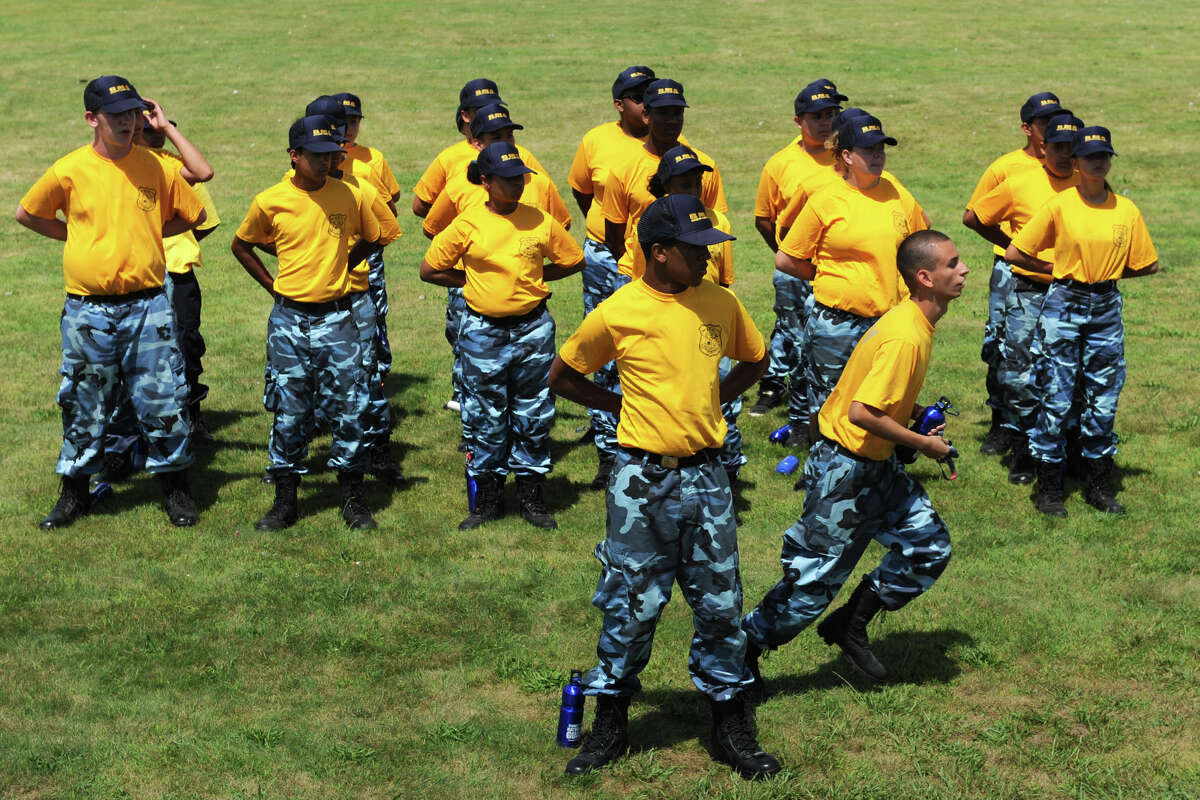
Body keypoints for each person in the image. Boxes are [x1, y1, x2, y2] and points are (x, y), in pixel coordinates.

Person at [549, 194, 779, 780]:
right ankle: (611, 723)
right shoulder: (620, 311)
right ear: (659, 252)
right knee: (630, 601)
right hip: (640, 481)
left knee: (721, 602)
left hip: (707, 474)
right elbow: (564, 376)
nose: (707, 259)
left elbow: (755, 359)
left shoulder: (720, 303)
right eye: (696, 251)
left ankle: (730, 724)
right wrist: (621, 405)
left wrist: (713, 401)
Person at [743, 229, 965, 689]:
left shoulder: (913, 322)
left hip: (877, 468)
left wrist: (918, 412)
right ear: (924, 278)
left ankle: (850, 624)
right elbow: (861, 413)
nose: (964, 270)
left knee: (928, 547)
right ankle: (740, 654)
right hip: (845, 472)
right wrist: (924, 445)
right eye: (952, 264)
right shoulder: (906, 335)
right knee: (811, 585)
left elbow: (878, 395)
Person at [16, 75, 206, 528]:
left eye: (133, 113)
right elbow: (28, 213)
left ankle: (176, 490)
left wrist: (146, 236)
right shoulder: (69, 169)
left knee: (163, 400)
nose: (127, 122)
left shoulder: (157, 166)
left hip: (148, 307)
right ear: (91, 119)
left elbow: (193, 215)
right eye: (116, 115)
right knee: (84, 400)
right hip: (89, 310)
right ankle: (74, 493)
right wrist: (75, 236)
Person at [419, 142, 584, 531]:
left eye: (521, 179)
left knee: (534, 410)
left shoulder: (540, 221)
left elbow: (573, 259)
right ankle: (487, 500)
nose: (517, 187)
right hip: (482, 333)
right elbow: (429, 270)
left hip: (533, 329)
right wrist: (473, 281)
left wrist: (535, 280)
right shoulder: (467, 224)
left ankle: (531, 495)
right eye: (508, 181)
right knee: (483, 414)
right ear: (487, 182)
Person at [230, 115, 383, 530]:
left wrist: (339, 266)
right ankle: (285, 500)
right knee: (290, 410)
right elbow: (241, 245)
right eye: (316, 156)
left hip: (339, 318)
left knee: (350, 409)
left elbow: (375, 236)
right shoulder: (270, 200)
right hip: (290, 320)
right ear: (294, 156)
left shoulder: (348, 195)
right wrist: (273, 287)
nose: (326, 162)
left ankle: (353, 497)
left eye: (332, 154)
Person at [1007, 126, 1158, 517]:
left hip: (1105, 306)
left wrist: (1104, 274)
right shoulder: (1060, 205)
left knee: (1103, 398)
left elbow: (1147, 263)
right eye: (1091, 156)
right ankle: (1049, 488)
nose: (1099, 162)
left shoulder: (1126, 209)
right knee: (1055, 397)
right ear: (1075, 163)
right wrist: (1059, 269)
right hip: (1064, 304)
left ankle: (1097, 485)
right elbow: (1016, 252)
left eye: (1105, 155)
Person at [424, 103, 571, 456]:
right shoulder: (462, 186)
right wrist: (474, 275)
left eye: (509, 134)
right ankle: (486, 481)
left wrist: (531, 272)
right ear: (475, 141)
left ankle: (531, 484)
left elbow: (563, 238)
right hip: (480, 311)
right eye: (496, 136)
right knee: (482, 401)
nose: (506, 140)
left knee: (531, 405)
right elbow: (430, 230)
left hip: (529, 319)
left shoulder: (534, 179)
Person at [775, 113, 928, 438]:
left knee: (883, 399)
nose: (877, 156)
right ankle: (821, 470)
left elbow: (922, 245)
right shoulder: (827, 199)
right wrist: (826, 274)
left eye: (881, 150)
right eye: (868, 150)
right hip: (837, 324)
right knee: (828, 401)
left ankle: (881, 470)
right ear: (846, 155)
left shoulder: (898, 195)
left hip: (888, 321)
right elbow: (787, 258)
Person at [99, 111, 221, 485]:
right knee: (126, 364)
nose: (155, 136)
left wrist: (167, 128)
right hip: (136, 279)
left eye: (161, 130)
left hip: (177, 272)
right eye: (145, 130)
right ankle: (122, 444)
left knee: (185, 350)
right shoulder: (121, 170)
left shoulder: (170, 165)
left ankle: (186, 424)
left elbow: (203, 185)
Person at [965, 113, 1082, 484]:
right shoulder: (1018, 181)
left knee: (1070, 372)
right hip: (1028, 291)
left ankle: (1066, 449)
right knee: (1019, 373)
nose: (1064, 155)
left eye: (1071, 148)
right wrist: (1016, 250)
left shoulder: (1089, 185)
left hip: (1072, 293)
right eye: (1057, 147)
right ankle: (1021, 446)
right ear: (1043, 146)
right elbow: (974, 217)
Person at [625, 145, 745, 483]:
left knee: (721, 404)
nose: (693, 191)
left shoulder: (718, 221)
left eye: (696, 183)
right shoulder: (651, 226)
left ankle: (727, 474)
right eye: (683, 185)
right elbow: (643, 283)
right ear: (664, 188)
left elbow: (724, 280)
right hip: (668, 327)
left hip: (709, 325)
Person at [306, 95, 408, 487]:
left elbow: (385, 229)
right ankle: (303, 455)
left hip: (354, 294)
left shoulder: (358, 184)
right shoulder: (295, 184)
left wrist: (349, 260)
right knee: (305, 378)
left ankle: (379, 455)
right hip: (309, 298)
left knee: (366, 374)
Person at [567, 65, 658, 488]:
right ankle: (607, 445)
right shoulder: (596, 140)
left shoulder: (671, 146)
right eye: (638, 98)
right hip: (606, 257)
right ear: (620, 105)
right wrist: (609, 234)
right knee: (604, 349)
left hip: (653, 265)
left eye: (651, 96)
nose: (646, 105)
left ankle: (645, 431)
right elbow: (583, 191)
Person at [750, 79, 845, 429]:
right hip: (794, 266)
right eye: (817, 116)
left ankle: (820, 394)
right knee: (791, 328)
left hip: (837, 267)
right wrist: (788, 257)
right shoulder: (781, 164)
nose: (826, 123)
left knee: (823, 333)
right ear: (798, 121)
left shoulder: (848, 156)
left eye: (832, 114)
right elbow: (764, 219)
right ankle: (775, 384)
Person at [411, 78, 549, 219]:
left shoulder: (523, 156)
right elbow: (420, 206)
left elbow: (547, 195)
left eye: (493, 106)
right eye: (481, 109)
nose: (490, 113)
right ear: (465, 115)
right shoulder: (449, 158)